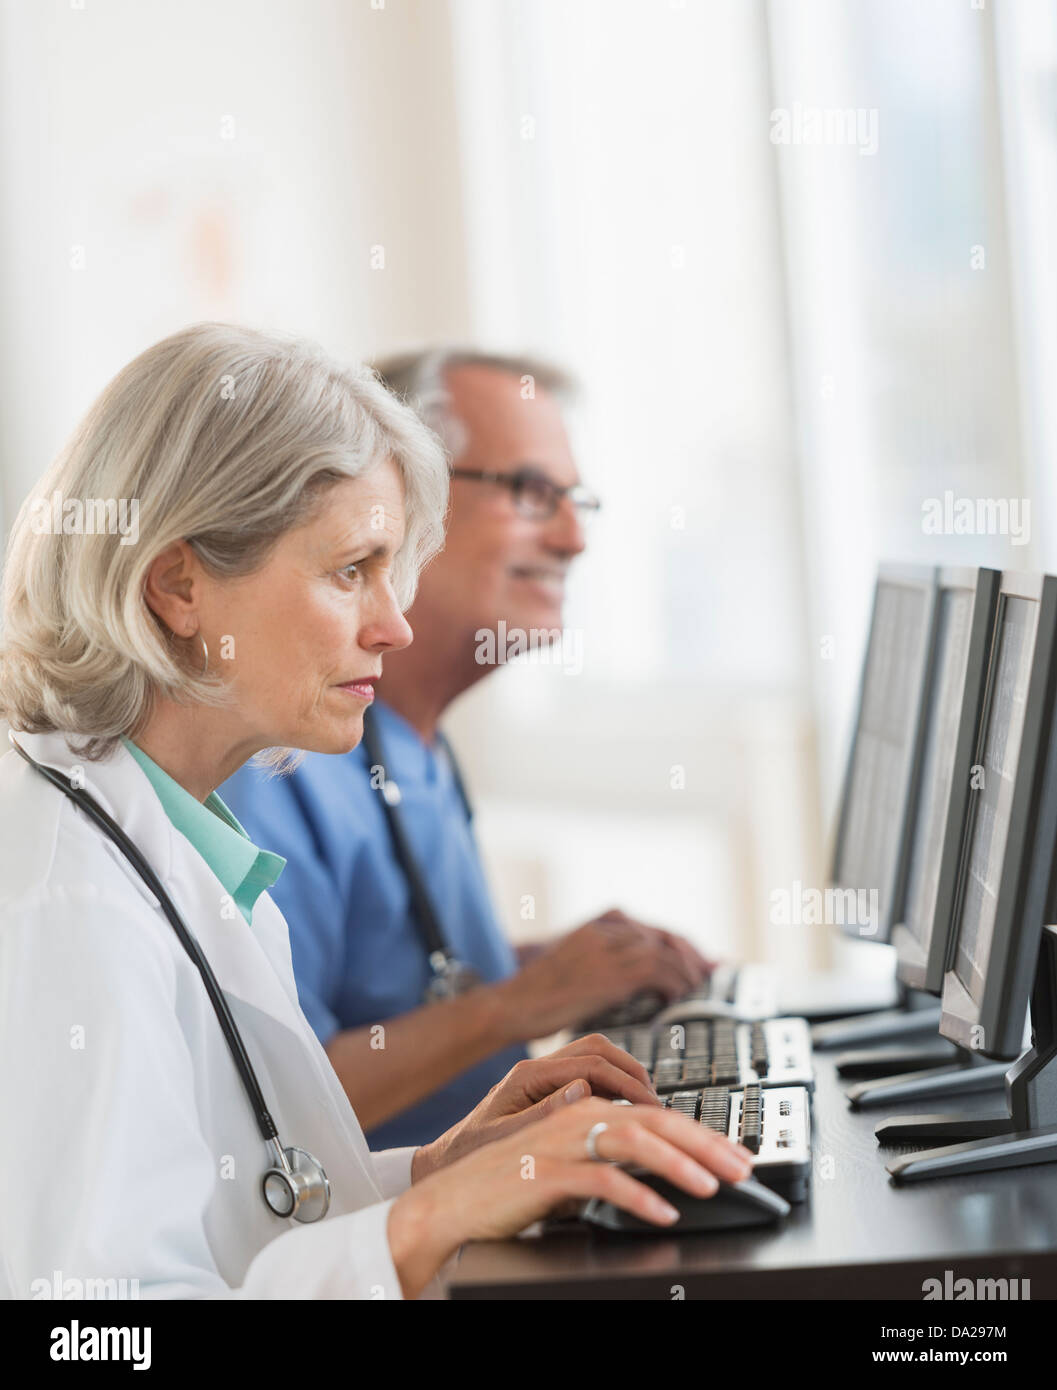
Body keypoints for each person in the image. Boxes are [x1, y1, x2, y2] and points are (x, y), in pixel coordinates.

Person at [0, 323, 752, 1300]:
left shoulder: (185, 848)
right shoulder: (71, 901)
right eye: (349, 569)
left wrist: (443, 1168)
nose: (390, 623)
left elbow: (244, 1214)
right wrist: (422, 1226)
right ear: (179, 585)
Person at [222, 349, 713, 1150]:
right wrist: (516, 1006)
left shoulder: (412, 735)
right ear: (396, 500)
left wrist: (552, 969)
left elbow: (394, 983)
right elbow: (271, 1103)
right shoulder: (276, 762)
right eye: (531, 492)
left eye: (576, 499)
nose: (572, 538)